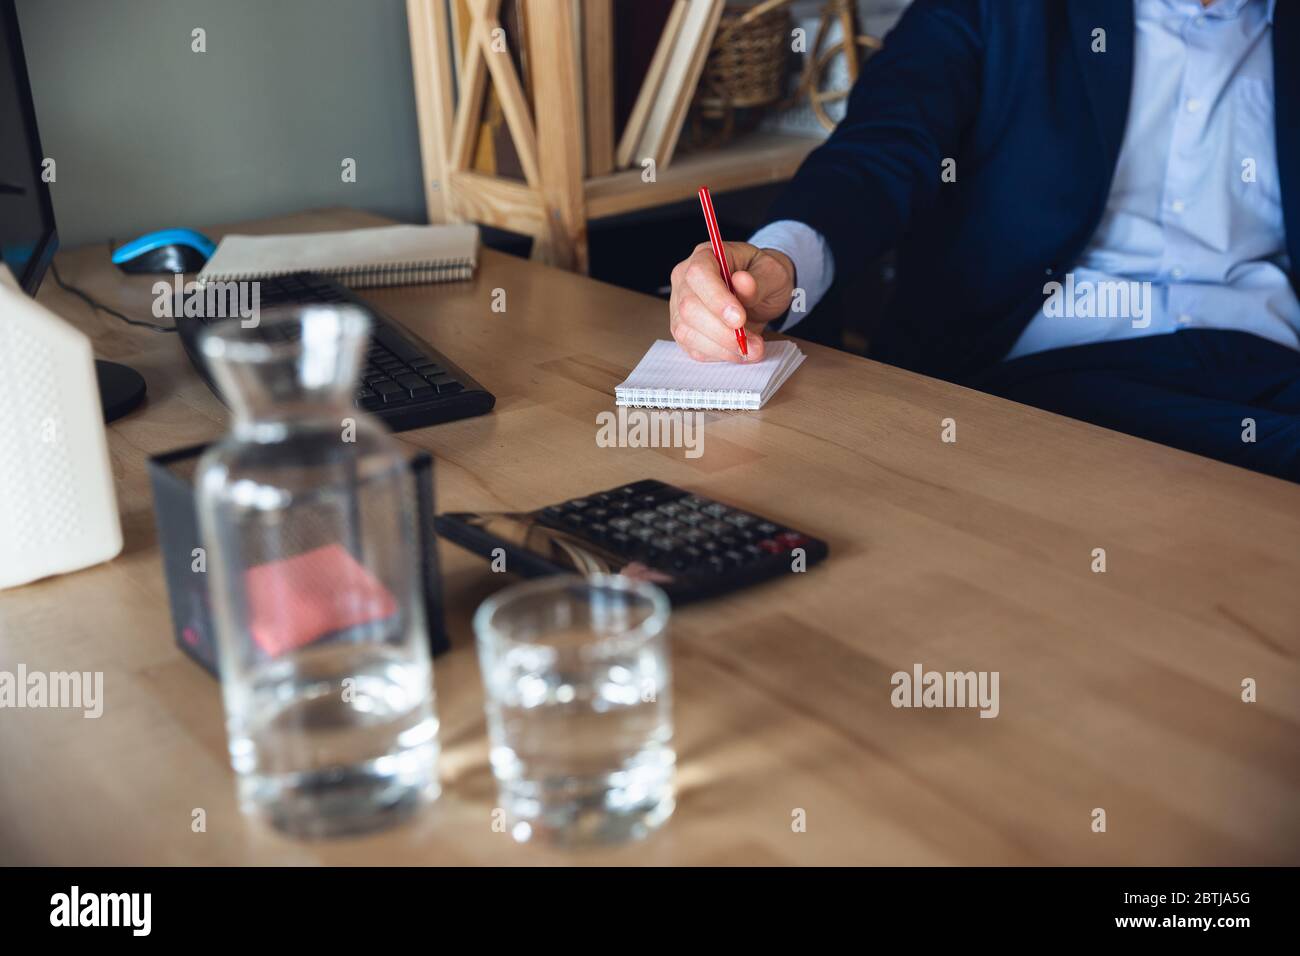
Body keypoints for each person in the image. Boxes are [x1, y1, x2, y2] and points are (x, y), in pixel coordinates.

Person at [667, 0, 1300, 481]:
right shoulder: (1000, 12)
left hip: (1273, 359)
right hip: (1055, 373)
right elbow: (880, 152)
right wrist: (778, 263)